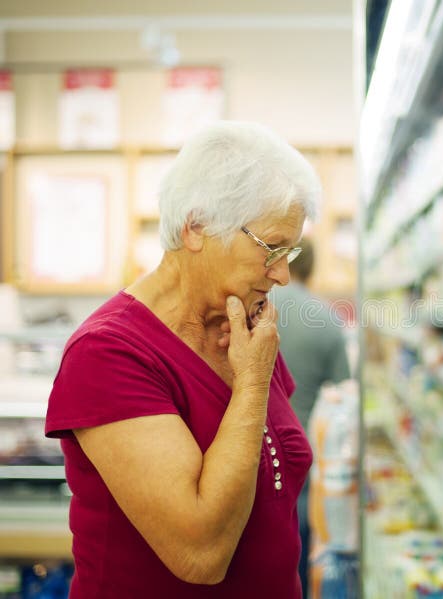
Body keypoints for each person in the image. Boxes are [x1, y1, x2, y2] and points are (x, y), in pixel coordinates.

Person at [45, 121, 320, 598]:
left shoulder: (243, 329)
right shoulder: (108, 353)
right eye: (272, 249)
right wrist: (252, 385)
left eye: (290, 250)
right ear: (196, 227)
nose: (283, 274)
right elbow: (201, 553)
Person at [270, 239, 350, 597]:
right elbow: (343, 400)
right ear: (312, 269)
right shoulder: (328, 320)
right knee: (296, 554)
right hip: (303, 459)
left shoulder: (256, 309)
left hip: (249, 448)